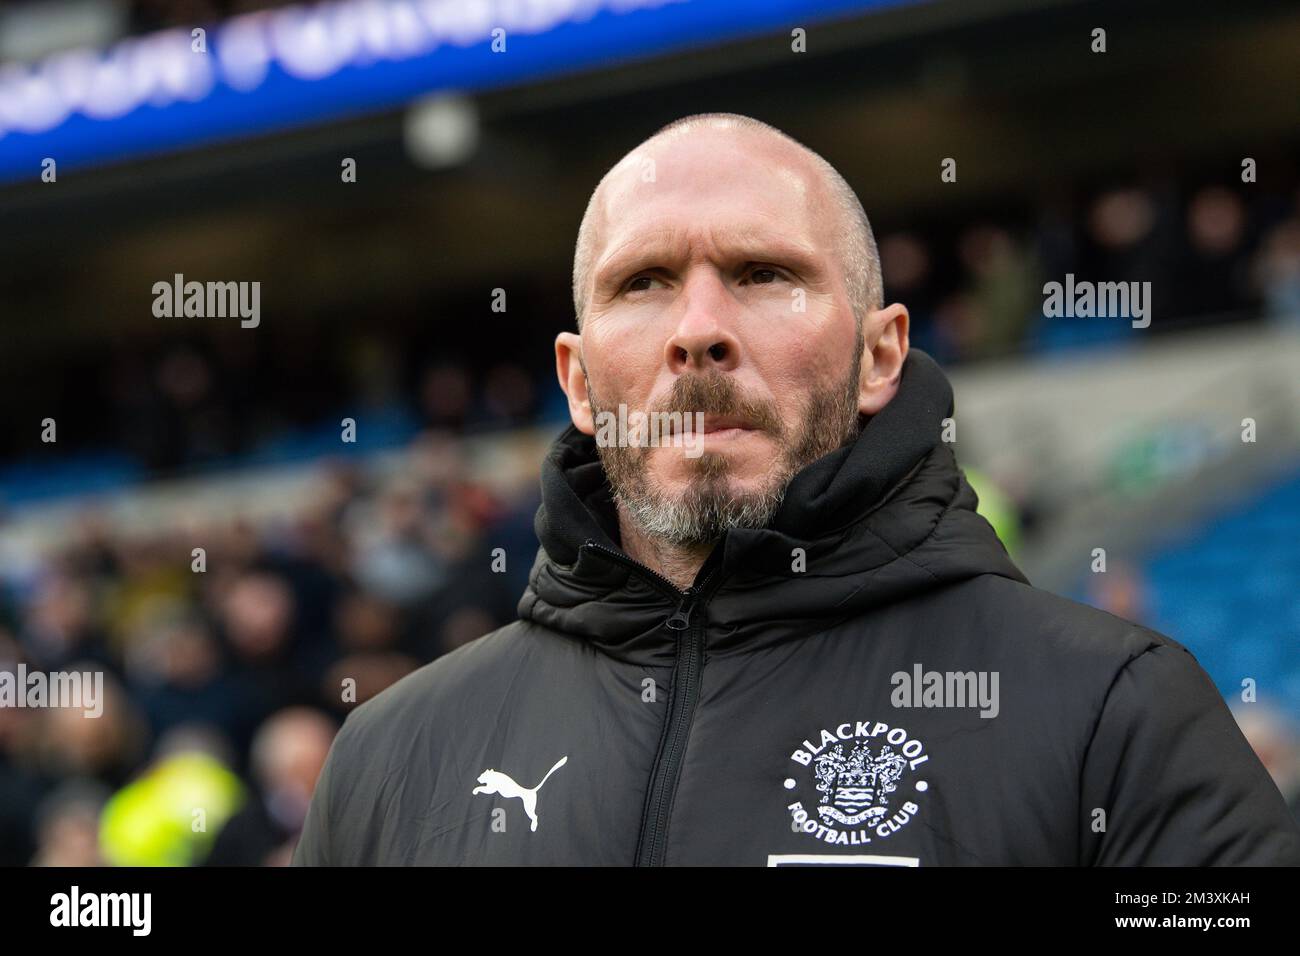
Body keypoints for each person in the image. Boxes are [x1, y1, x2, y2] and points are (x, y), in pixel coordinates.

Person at [293, 113, 1300, 866]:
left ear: (880, 356)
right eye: (641, 282)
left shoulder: (1112, 713)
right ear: (577, 380)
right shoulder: (392, 760)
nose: (698, 326)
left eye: (763, 271)